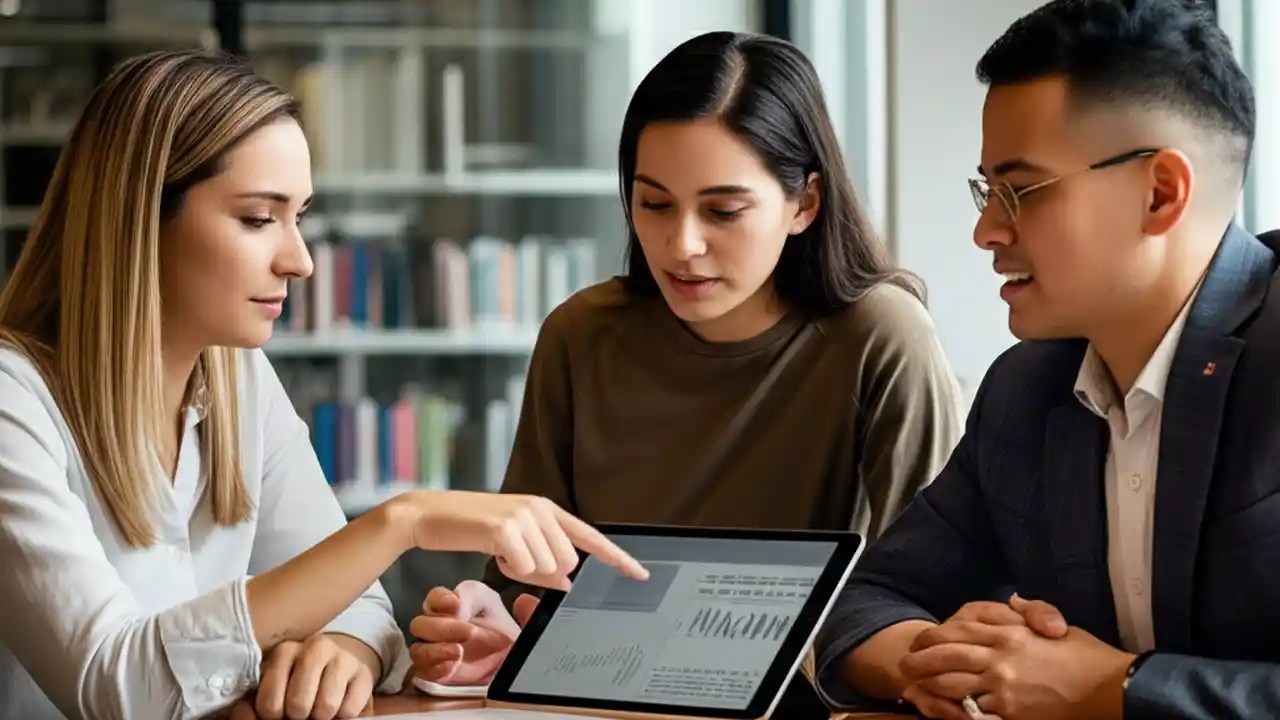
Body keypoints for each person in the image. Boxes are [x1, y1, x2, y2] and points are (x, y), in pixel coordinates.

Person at [0, 49, 649, 720]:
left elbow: (359, 604)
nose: (300, 260)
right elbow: (118, 687)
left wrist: (341, 650)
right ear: (138, 218)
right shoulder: (12, 404)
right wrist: (406, 521)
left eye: (299, 217)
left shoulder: (236, 378)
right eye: (258, 218)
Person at [406, 29, 964, 697]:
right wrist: (492, 628)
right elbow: (526, 583)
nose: (682, 244)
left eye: (723, 210)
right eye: (654, 204)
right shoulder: (581, 336)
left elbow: (922, 601)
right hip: (594, 706)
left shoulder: (881, 337)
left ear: (804, 203)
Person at [815, 1, 1280, 719]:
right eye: (986, 189)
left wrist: (1111, 688)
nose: (985, 230)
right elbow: (862, 604)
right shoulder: (1028, 387)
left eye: (1020, 190)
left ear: (1160, 192)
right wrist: (956, 663)